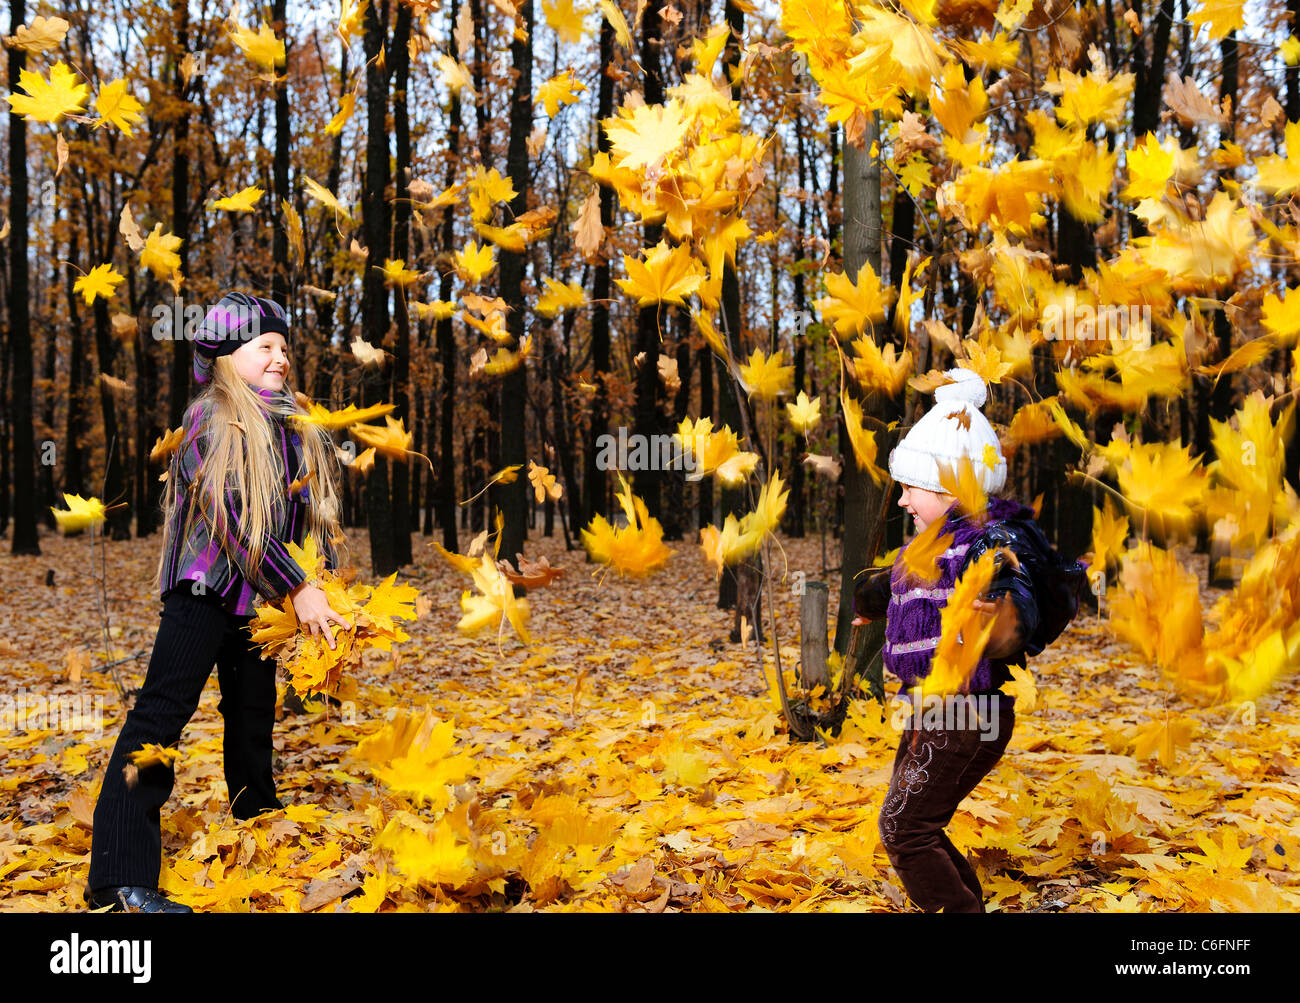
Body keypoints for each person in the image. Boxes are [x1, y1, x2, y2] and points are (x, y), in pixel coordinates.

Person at [85, 292, 352, 913]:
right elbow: (231, 516)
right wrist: (299, 585)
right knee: (160, 719)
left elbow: (306, 516)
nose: (281, 356)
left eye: (285, 347)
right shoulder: (211, 418)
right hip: (205, 590)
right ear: (227, 358)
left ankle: (260, 825)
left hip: (258, 596)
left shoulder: (289, 426)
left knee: (254, 717)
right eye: (265, 346)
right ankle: (120, 881)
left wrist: (325, 580)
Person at [851, 367, 1079, 913]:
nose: (902, 500)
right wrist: (868, 604)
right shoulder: (927, 544)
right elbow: (895, 582)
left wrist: (1005, 618)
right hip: (932, 710)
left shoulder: (988, 538)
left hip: (970, 713)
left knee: (905, 829)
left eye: (910, 488)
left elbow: (1013, 586)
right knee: (910, 823)